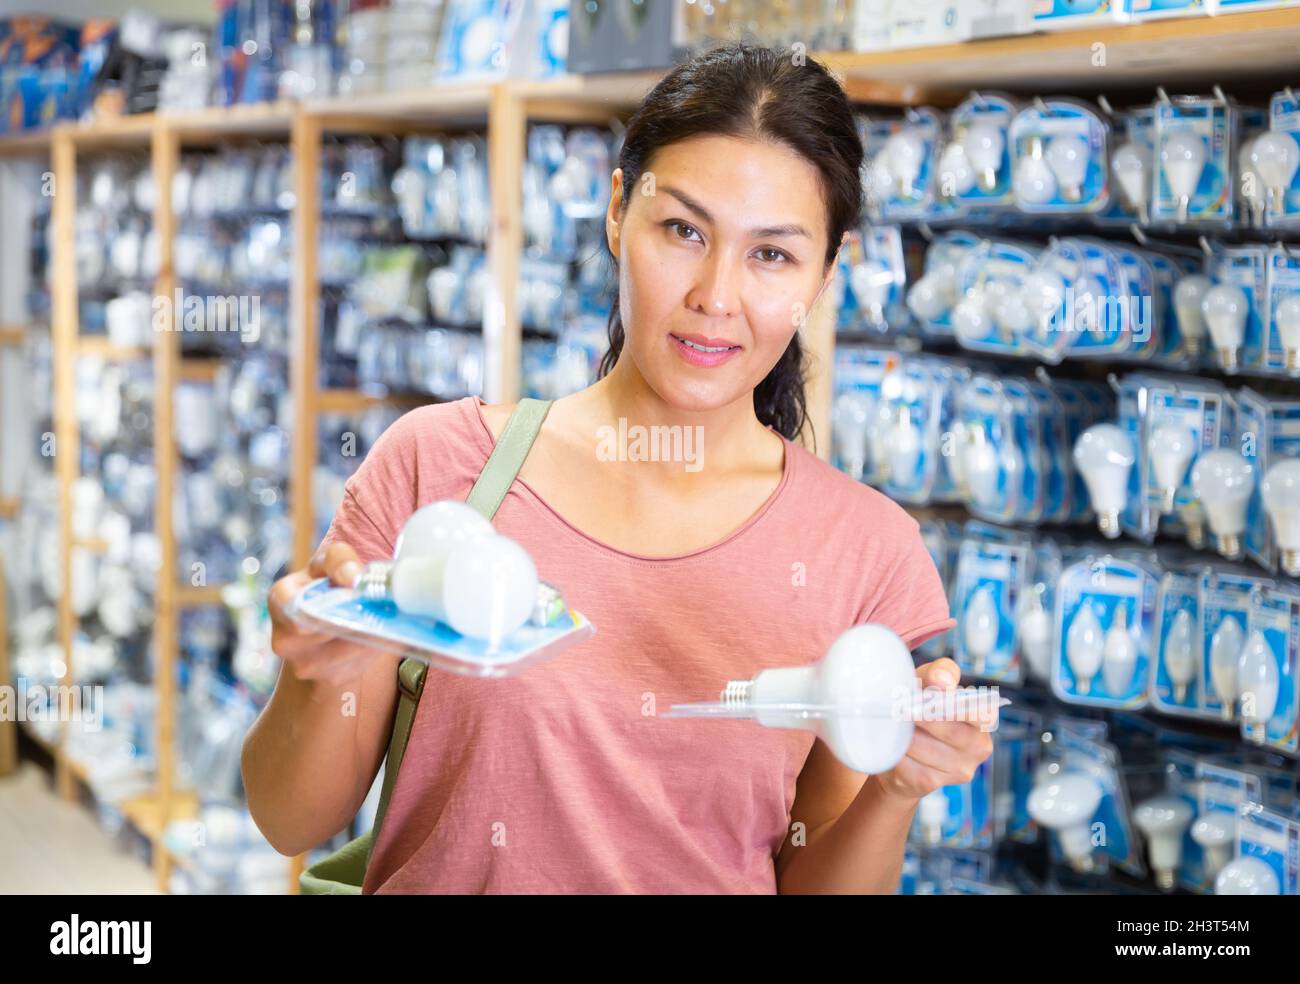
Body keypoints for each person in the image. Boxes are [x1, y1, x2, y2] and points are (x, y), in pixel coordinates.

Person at [243, 41, 989, 894]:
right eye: (683, 230)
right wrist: (317, 675)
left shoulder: (865, 549)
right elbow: (287, 818)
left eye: (771, 255)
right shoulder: (441, 467)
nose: (716, 293)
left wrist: (896, 790)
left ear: (825, 274)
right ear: (616, 210)